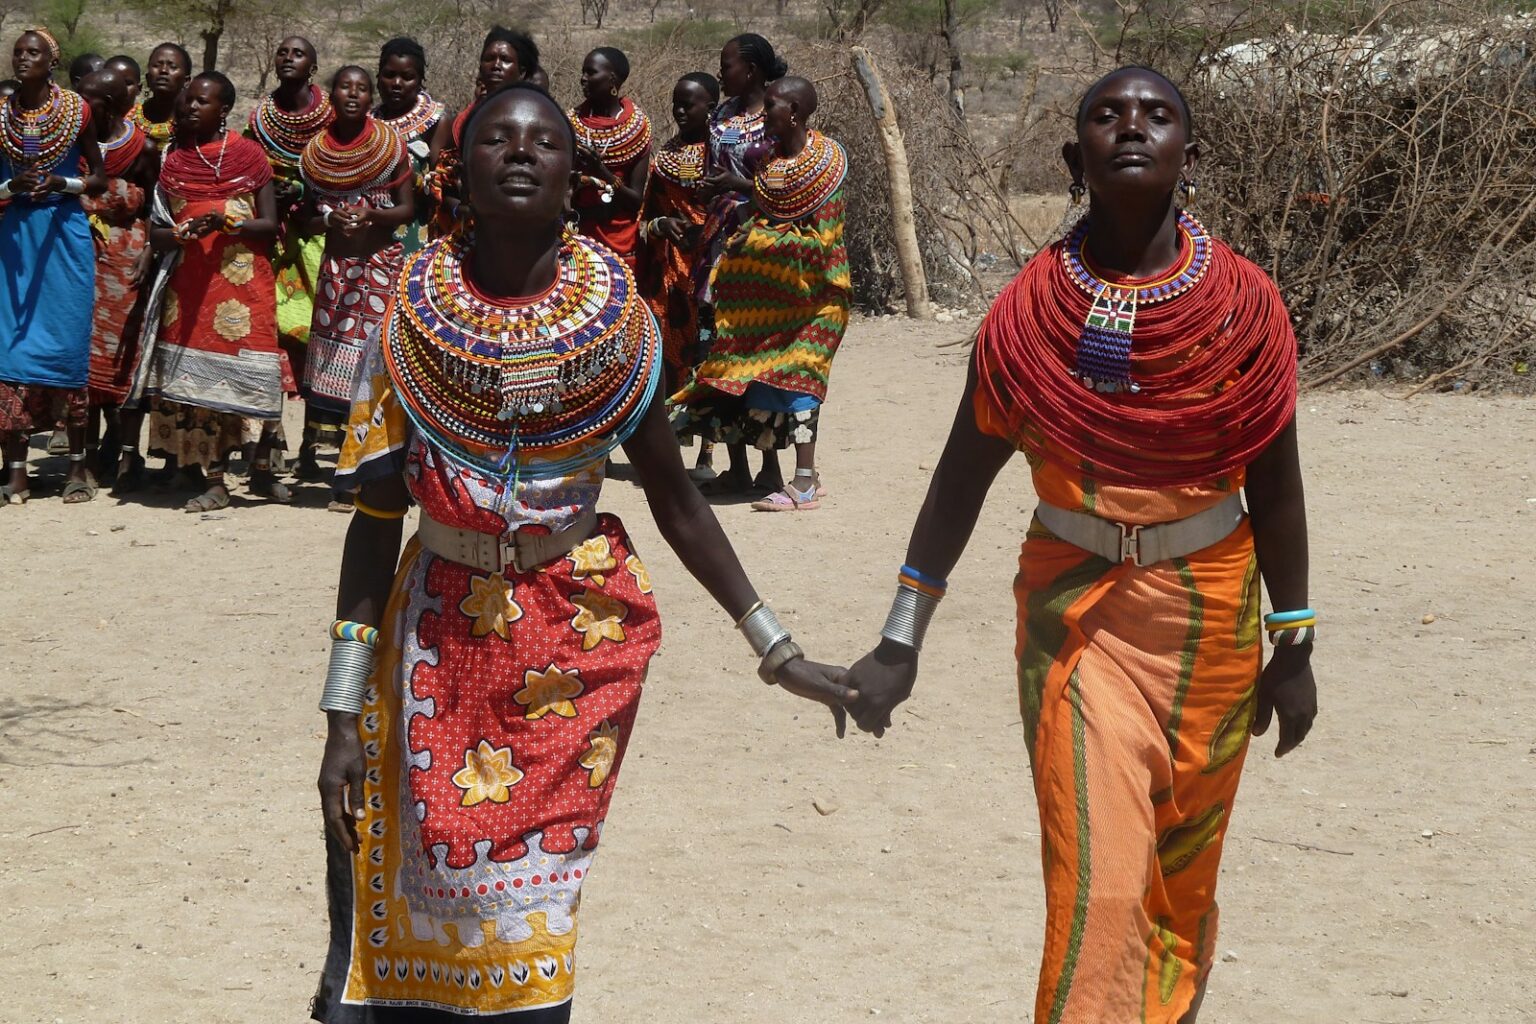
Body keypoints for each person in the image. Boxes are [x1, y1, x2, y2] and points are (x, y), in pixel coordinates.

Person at [310, 82, 855, 1023]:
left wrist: (777, 648)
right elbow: (373, 524)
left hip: (575, 643)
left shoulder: (618, 325)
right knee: (415, 905)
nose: (521, 154)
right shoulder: (405, 323)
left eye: (545, 143)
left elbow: (679, 503)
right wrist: (340, 712)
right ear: (457, 171)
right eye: (497, 140)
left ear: (576, 177)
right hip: (433, 642)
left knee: (535, 920)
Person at [840, 67, 1317, 1024]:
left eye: (1156, 115)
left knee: (1180, 881)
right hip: (1077, 619)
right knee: (1100, 884)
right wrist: (902, 636)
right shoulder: (1025, 320)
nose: (1131, 128)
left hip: (1213, 622)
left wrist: (1294, 642)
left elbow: (1275, 479)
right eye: (1107, 116)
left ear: (1191, 154)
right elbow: (958, 481)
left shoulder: (1244, 309)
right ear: (1074, 157)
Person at [671, 76, 848, 513]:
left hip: (816, 296)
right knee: (766, 382)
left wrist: (760, 243)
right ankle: (794, 474)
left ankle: (803, 482)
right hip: (770, 303)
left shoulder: (824, 164)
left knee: (804, 376)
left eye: (771, 107)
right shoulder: (770, 164)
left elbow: (820, 239)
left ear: (794, 113)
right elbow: (762, 214)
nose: (764, 114)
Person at [133, 72, 288, 512]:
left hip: (244, 286)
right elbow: (157, 234)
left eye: (201, 102)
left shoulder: (250, 157)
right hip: (189, 289)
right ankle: (215, 480)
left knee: (253, 378)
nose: (190, 108)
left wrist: (228, 222)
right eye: (187, 101)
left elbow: (269, 226)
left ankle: (262, 469)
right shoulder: (172, 161)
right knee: (199, 386)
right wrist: (182, 233)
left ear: (224, 110)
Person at [298, 66, 412, 511]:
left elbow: (405, 209)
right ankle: (346, 479)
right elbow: (303, 216)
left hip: (381, 268)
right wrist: (330, 219)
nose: (353, 94)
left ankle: (380, 474)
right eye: (345, 86)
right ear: (332, 94)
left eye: (362, 88)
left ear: (370, 97)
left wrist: (370, 217)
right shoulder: (315, 153)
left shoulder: (388, 145)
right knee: (339, 380)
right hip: (338, 274)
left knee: (379, 373)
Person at [0, 28, 106, 506]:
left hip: (64, 236)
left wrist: (60, 183)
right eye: (19, 52)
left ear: (52, 61)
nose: (24, 59)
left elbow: (99, 178)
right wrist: (12, 187)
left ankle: (77, 468)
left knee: (67, 346)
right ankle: (17, 472)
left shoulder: (77, 111)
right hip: (16, 239)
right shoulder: (1, 115)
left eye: (34, 53)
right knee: (10, 351)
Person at [690, 32, 785, 494]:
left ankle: (770, 467)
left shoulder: (779, 114)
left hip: (761, 245)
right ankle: (736, 467)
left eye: (727, 65)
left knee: (759, 355)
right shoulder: (719, 116)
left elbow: (794, 182)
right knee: (718, 353)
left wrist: (744, 187)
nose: (721, 72)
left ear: (750, 71)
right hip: (718, 243)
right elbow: (713, 169)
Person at [248, 35, 332, 478]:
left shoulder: (332, 117)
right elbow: (250, 166)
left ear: (313, 66)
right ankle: (269, 438)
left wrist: (302, 190)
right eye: (281, 52)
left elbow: (345, 167)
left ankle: (313, 446)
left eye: (298, 53)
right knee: (272, 338)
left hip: (319, 238)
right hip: (273, 235)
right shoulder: (261, 118)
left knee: (319, 339)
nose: (287, 59)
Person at [78, 67, 159, 494]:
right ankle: (88, 456)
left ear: (106, 105)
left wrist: (148, 251)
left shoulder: (141, 147)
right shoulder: (71, 142)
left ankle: (129, 455)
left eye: (86, 97)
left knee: (125, 358)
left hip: (126, 261)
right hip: (79, 256)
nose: (76, 101)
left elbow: (154, 208)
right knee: (85, 360)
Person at [639, 71, 716, 396]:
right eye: (676, 105)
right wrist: (661, 226)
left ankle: (708, 447)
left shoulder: (723, 156)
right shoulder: (665, 159)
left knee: (709, 352)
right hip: (670, 275)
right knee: (669, 356)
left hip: (711, 269)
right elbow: (645, 219)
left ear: (710, 107)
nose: (679, 111)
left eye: (688, 105)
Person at [424, 26, 539, 234]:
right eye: (489, 58)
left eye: (505, 60)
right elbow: (446, 181)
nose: (496, 65)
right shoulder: (461, 122)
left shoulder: (535, 119)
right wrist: (460, 210)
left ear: (521, 71)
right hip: (465, 229)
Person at [569, 46, 651, 271]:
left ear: (612, 78)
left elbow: (636, 201)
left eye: (591, 72)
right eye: (583, 72)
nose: (583, 79)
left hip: (620, 239)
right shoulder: (571, 123)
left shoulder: (637, 128)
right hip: (579, 236)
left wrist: (601, 173)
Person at [371, 36, 451, 257]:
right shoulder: (367, 123)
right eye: (389, 75)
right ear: (378, 78)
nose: (396, 83)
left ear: (420, 81)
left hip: (419, 234)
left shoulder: (435, 121)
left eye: (407, 77)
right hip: (371, 235)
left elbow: (440, 185)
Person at [130, 43, 190, 150]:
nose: (163, 70)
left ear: (186, 81)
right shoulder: (129, 120)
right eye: (157, 65)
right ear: (148, 78)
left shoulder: (193, 123)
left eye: (173, 67)